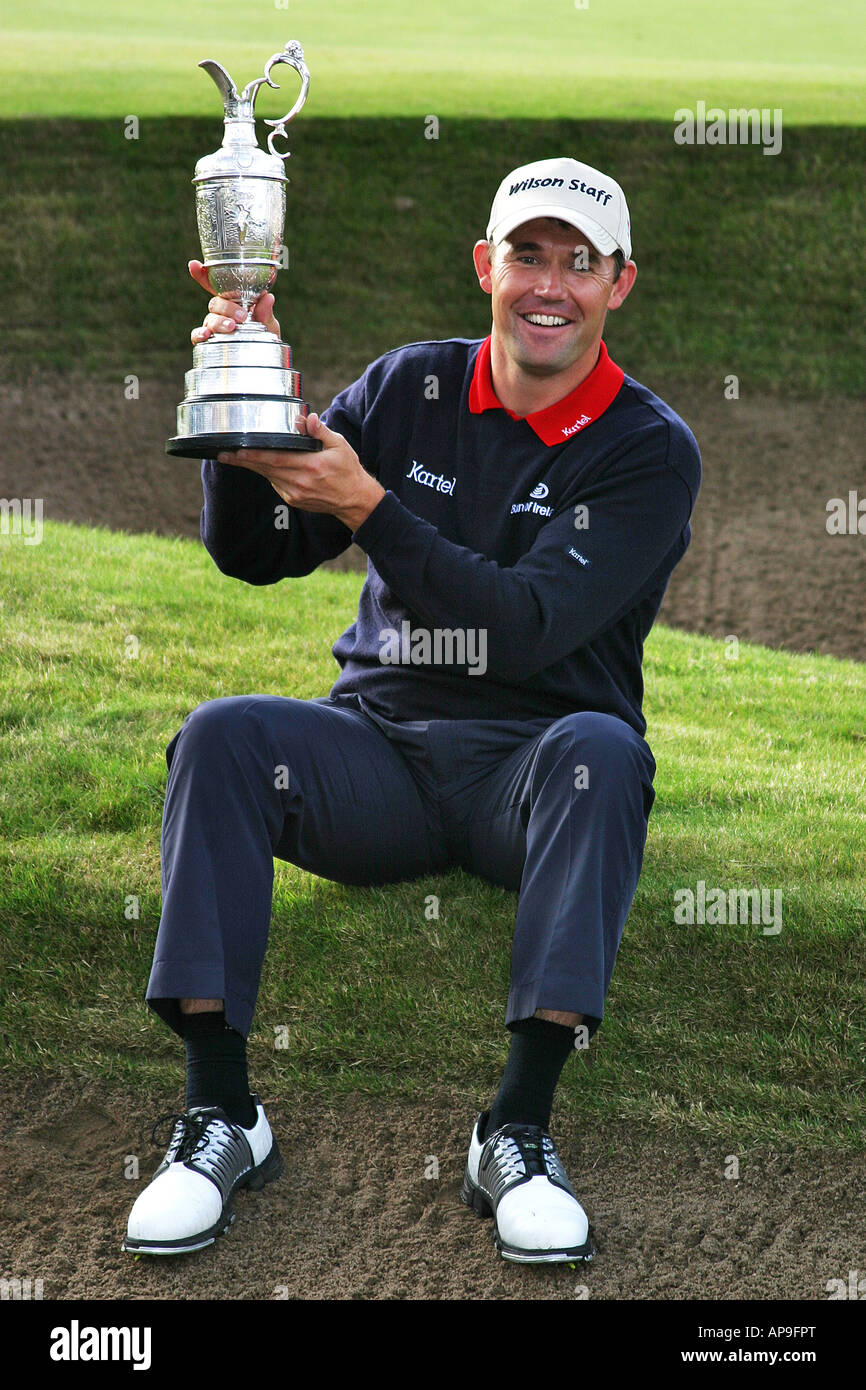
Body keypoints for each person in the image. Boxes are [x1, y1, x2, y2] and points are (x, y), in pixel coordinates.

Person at [124, 156, 701, 1265]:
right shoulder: (408, 387)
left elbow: (523, 626)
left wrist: (371, 506)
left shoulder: (646, 450)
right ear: (485, 265)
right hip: (374, 756)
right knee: (222, 736)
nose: (549, 285)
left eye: (578, 264)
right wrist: (240, 421)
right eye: (525, 255)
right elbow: (258, 553)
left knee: (601, 753)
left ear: (617, 284)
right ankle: (220, 1116)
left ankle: (515, 1131)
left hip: (529, 777)